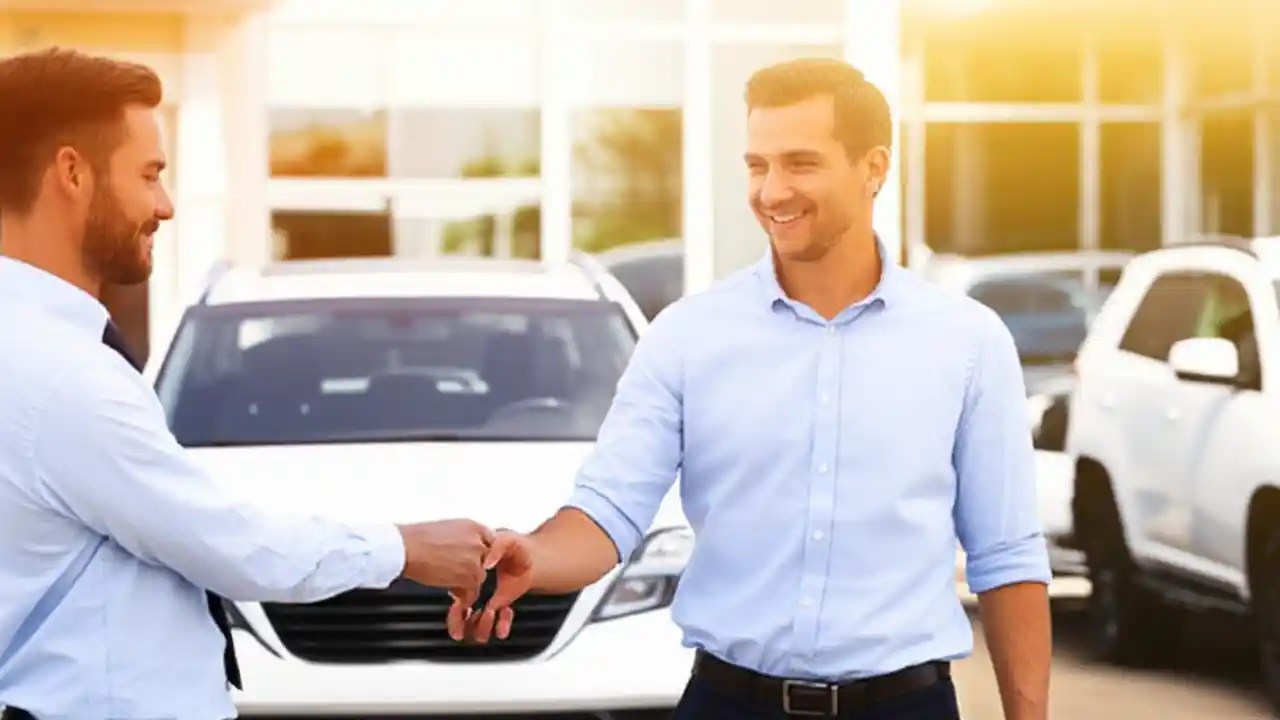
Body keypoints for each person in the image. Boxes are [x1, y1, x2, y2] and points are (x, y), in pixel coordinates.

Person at [458, 58, 1053, 719]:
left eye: (800, 163)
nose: (772, 191)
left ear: (874, 168)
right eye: (756, 165)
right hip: (727, 703)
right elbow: (609, 511)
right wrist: (535, 557)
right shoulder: (687, 335)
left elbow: (1006, 555)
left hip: (903, 705)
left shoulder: (967, 342)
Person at [0, 48, 494, 720]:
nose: (166, 206)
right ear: (71, 173)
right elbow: (231, 549)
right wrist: (408, 548)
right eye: (150, 175)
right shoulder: (62, 377)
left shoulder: (29, 349)